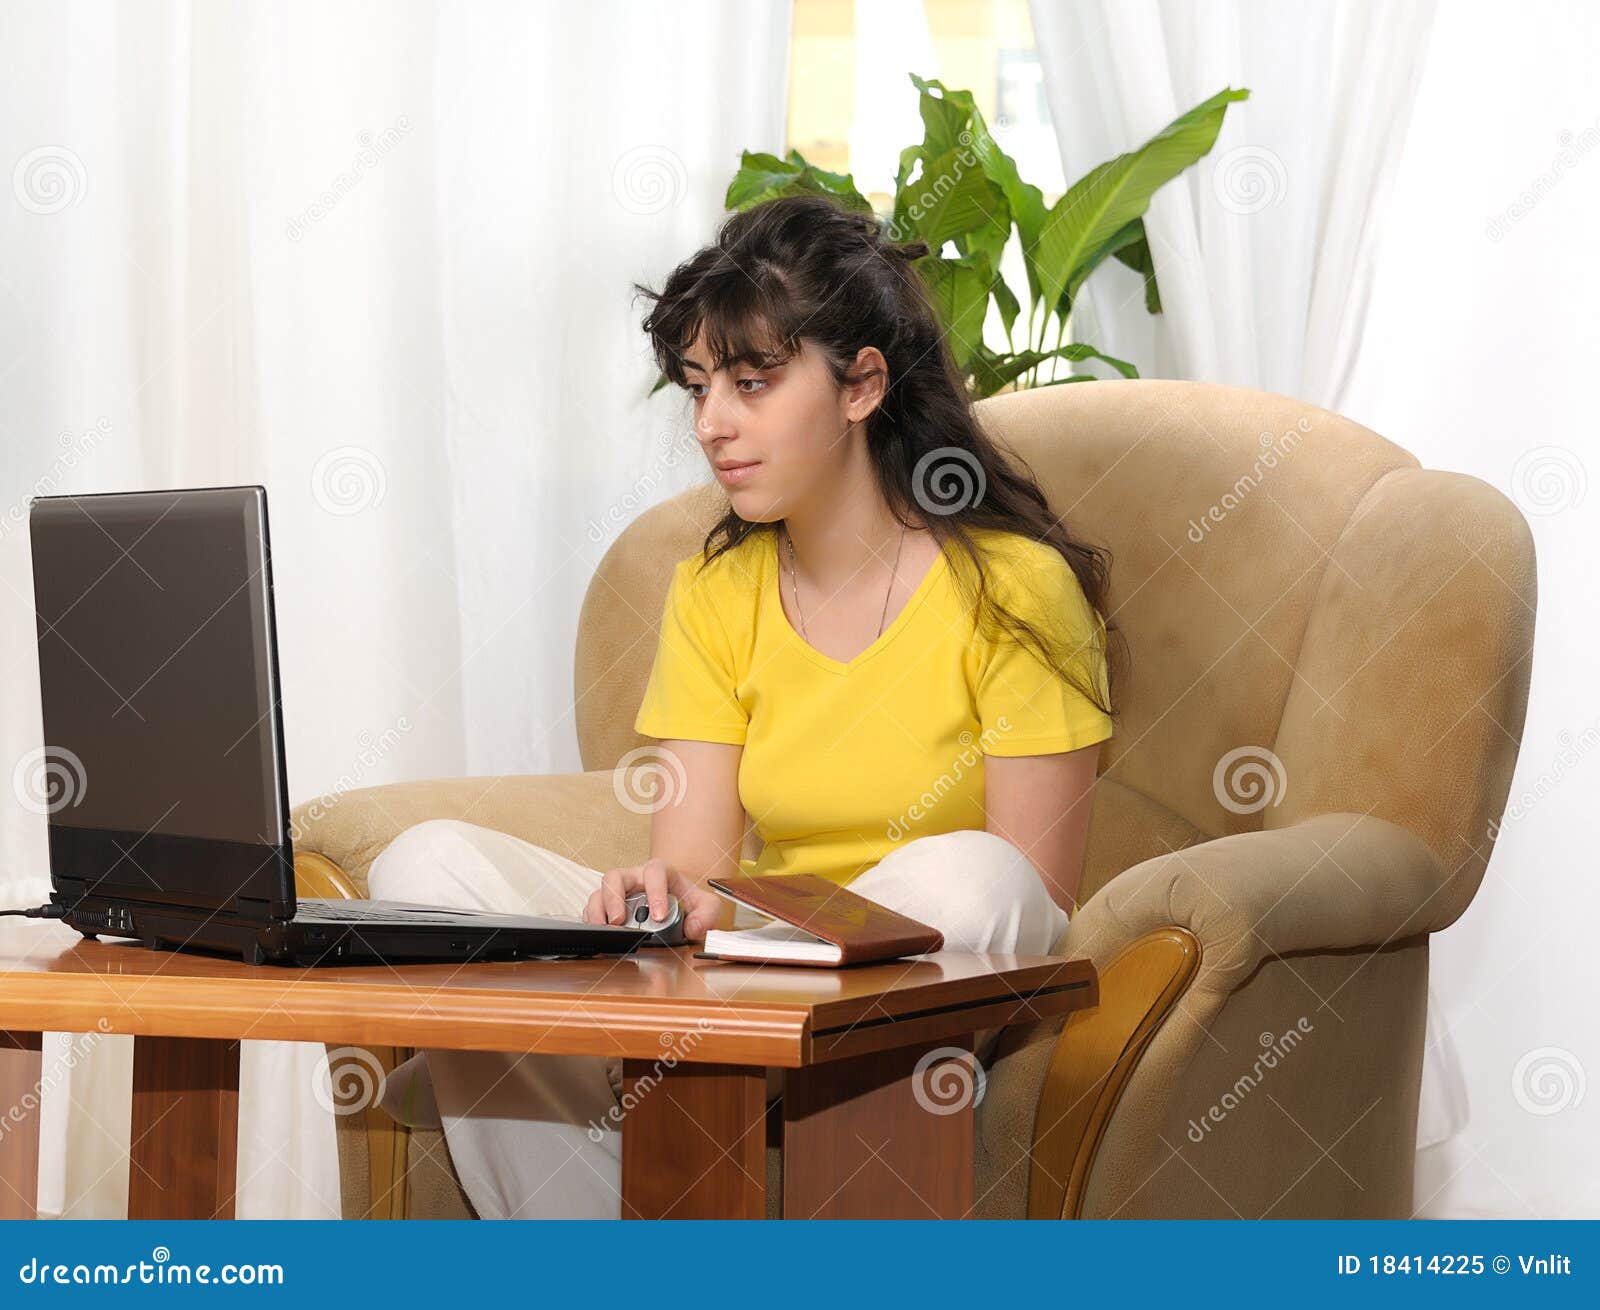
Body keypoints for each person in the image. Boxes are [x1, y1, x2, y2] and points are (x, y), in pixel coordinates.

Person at [366, 193, 1120, 1219]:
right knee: (424, 866)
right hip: (754, 976)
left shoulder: (1012, 583)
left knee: (971, 867)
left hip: (941, 978)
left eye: (752, 382)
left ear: (861, 385)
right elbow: (693, 867)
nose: (712, 422)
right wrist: (659, 894)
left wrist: (773, 915)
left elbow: (1034, 887)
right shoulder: (713, 592)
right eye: (697, 386)